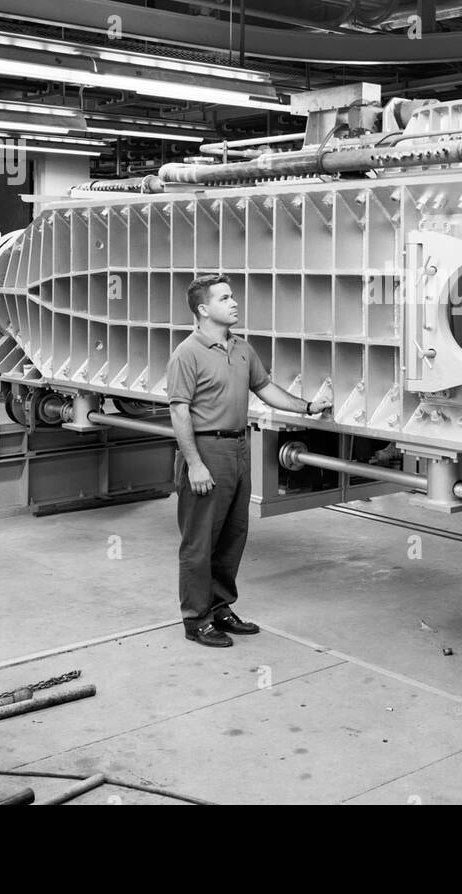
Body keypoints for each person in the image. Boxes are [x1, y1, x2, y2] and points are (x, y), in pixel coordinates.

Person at [166, 273, 332, 647]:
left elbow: (266, 388)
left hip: (240, 447)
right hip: (206, 450)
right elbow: (179, 413)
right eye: (225, 298)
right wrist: (194, 464)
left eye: (233, 297)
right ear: (203, 309)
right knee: (199, 541)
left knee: (232, 535)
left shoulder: (242, 348)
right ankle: (196, 620)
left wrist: (306, 407)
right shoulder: (187, 354)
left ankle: (221, 606)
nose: (234, 303)